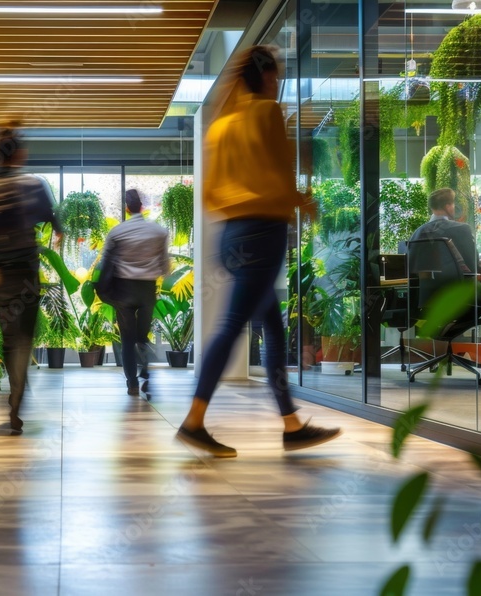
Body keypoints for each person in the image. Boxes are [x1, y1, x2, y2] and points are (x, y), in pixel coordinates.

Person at [176, 45, 341, 458]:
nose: (279, 80)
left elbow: (211, 192)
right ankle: (194, 421)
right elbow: (279, 174)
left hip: (231, 235)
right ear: (265, 77)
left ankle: (291, 424)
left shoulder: (220, 125)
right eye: (277, 74)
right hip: (263, 234)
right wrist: (302, 202)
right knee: (232, 325)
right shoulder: (267, 114)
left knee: (272, 327)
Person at [0, 125, 63, 435]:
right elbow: (57, 224)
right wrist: (46, 238)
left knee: (9, 334)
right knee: (25, 333)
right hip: (25, 269)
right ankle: (18, 393)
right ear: (19, 154)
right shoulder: (33, 185)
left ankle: (16, 387)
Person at [100, 189, 170, 399]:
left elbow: (106, 263)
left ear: (127, 208)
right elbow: (165, 266)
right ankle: (146, 372)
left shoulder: (117, 232)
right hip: (147, 290)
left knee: (127, 340)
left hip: (124, 291)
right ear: (142, 207)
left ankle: (132, 384)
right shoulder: (158, 232)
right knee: (142, 337)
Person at [408, 188, 480, 274]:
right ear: (448, 207)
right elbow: (473, 262)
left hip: (425, 287)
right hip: (458, 285)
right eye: (453, 204)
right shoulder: (462, 229)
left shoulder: (417, 233)